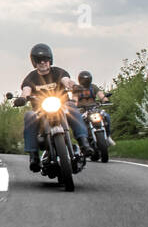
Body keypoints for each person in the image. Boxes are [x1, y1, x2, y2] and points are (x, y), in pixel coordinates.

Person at [19, 43, 92, 171]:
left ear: (50, 60)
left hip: (61, 106)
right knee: (29, 115)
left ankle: (84, 143)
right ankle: (33, 156)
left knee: (71, 107)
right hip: (40, 111)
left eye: (45, 59)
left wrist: (73, 86)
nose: (43, 63)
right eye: (39, 60)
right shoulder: (30, 78)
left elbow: (66, 81)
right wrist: (23, 98)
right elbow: (26, 90)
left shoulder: (58, 72)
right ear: (34, 62)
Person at [72, 70, 113, 143]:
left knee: (106, 116)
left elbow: (101, 95)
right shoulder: (77, 89)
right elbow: (75, 99)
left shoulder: (93, 87)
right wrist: (74, 105)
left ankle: (108, 136)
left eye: (87, 79)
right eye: (84, 79)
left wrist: (105, 100)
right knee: (79, 123)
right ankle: (83, 141)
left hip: (94, 109)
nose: (85, 81)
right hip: (82, 110)